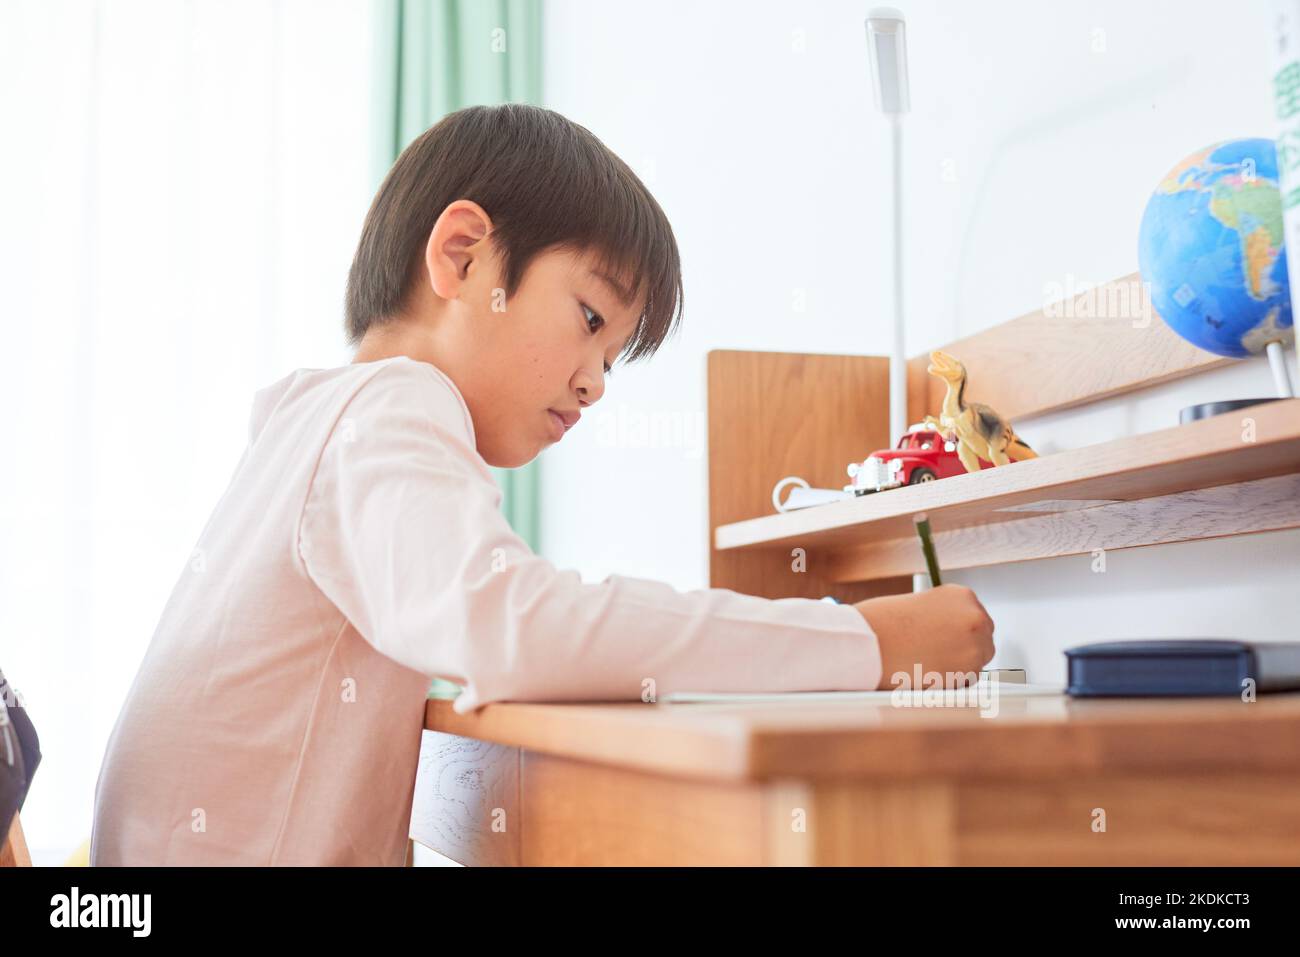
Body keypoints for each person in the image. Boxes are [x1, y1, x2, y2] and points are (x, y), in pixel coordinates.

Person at [91, 104, 993, 866]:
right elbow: (513, 625)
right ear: (462, 256)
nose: (596, 383)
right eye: (590, 319)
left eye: (611, 357)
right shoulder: (391, 407)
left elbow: (489, 620)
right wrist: (864, 641)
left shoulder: (318, 422)